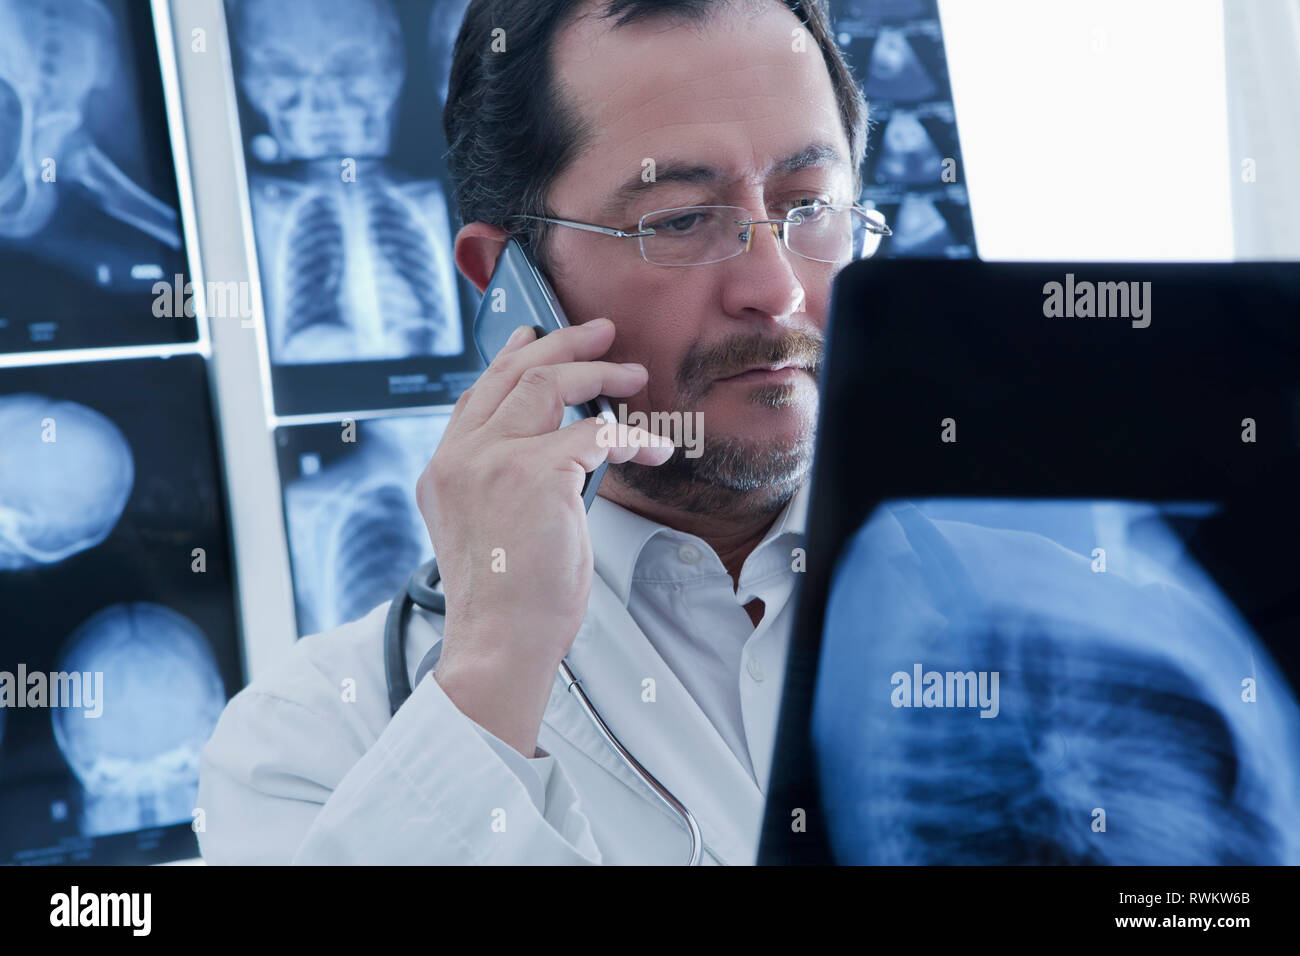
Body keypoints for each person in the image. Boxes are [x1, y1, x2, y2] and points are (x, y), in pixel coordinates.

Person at [197, 0, 875, 865]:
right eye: (678, 220)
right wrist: (490, 673)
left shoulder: (1041, 594)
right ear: (510, 280)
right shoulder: (310, 741)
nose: (775, 287)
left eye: (809, 204)